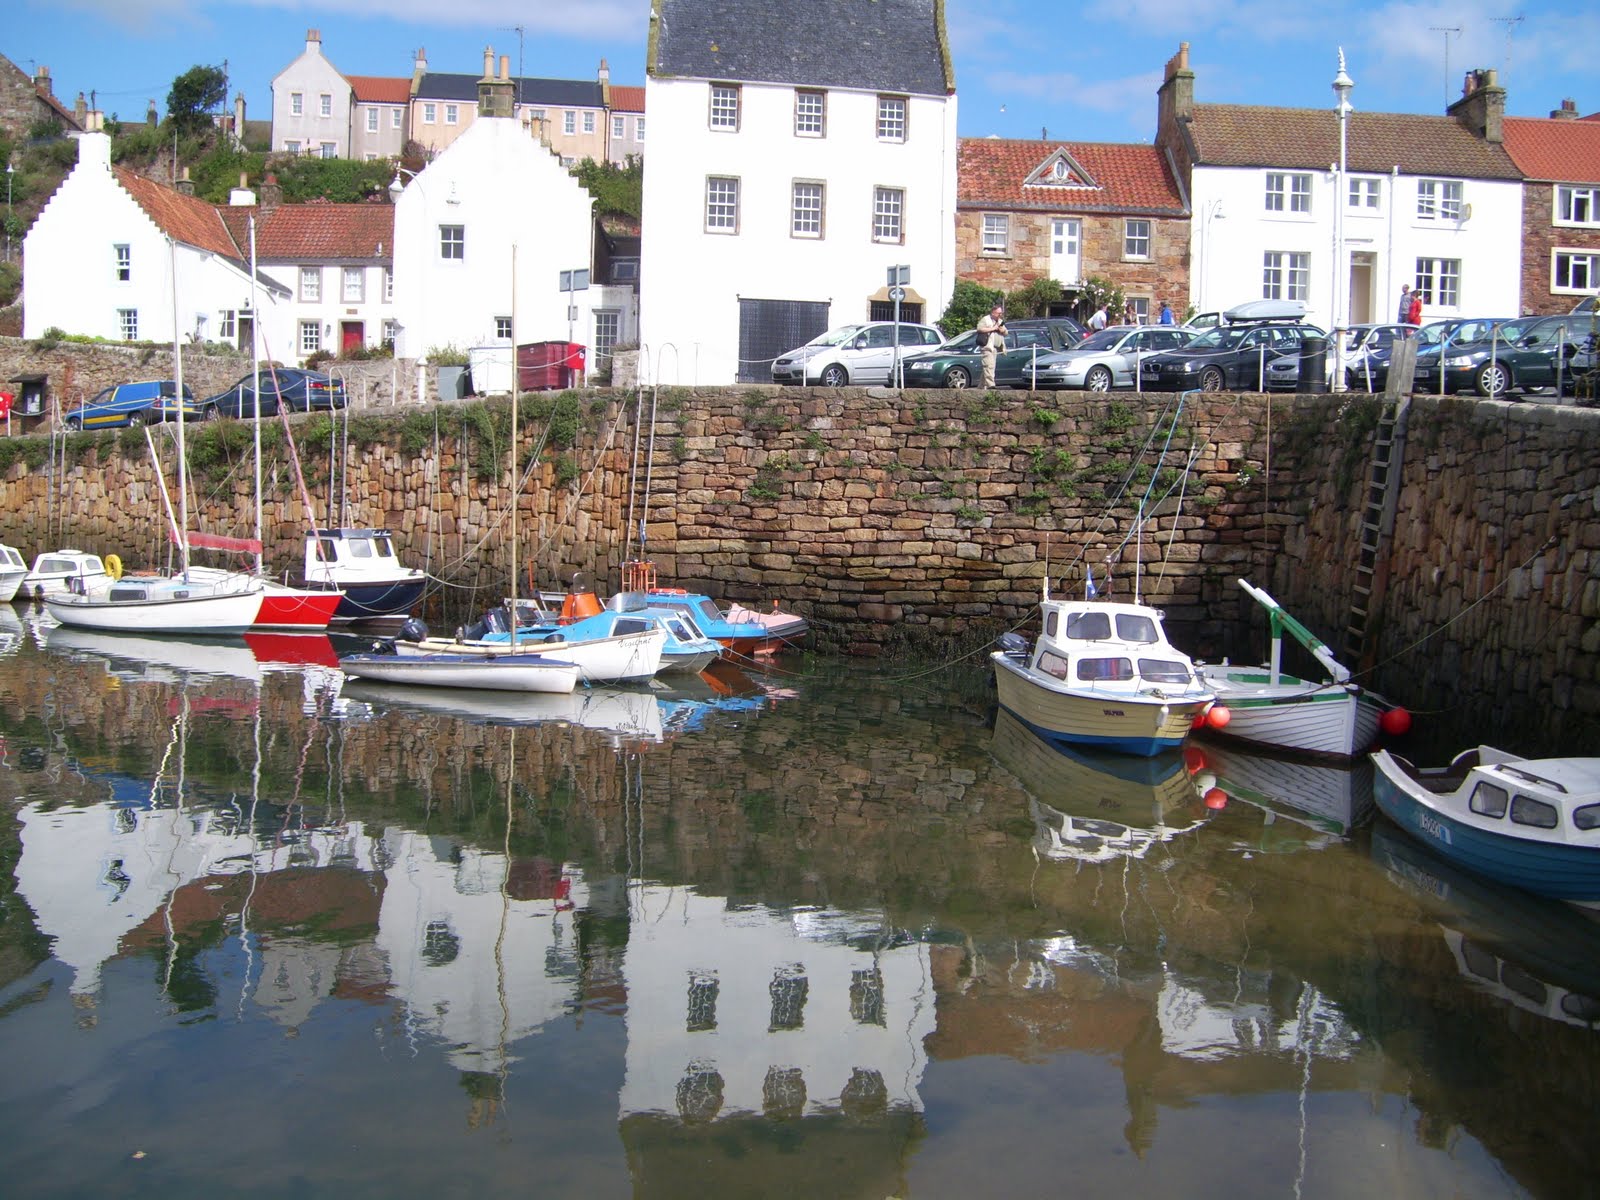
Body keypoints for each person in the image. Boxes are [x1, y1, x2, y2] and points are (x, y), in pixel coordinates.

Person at [976, 304, 1007, 388]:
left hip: (995, 348)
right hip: (987, 347)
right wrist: (993, 328)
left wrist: (1002, 330)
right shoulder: (985, 319)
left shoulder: (1000, 321)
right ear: (993, 312)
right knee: (989, 366)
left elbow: (1006, 332)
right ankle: (991, 385)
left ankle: (981, 386)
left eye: (1001, 313)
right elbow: (979, 329)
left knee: (988, 367)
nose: (1000, 315)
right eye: (998, 313)